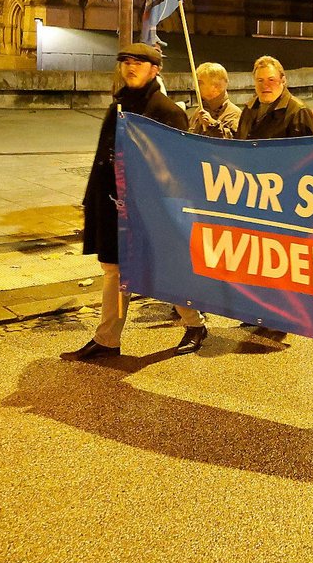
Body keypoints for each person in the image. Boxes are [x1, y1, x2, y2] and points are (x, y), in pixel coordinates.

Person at [64, 44, 207, 360]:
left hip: (152, 212)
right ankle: (107, 339)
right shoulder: (117, 107)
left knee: (165, 272)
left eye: (139, 62)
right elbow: (103, 156)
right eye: (126, 62)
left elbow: (180, 170)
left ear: (155, 69)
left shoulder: (168, 112)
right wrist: (92, 199)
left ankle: (195, 324)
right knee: (114, 272)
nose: (130, 67)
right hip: (115, 208)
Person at [236, 56, 313, 139]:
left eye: (271, 80)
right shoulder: (248, 109)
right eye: (260, 80)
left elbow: (308, 150)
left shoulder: (298, 112)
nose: (265, 85)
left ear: (283, 81)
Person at [187, 62, 242, 138]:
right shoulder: (198, 111)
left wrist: (212, 124)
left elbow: (231, 143)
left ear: (215, 87)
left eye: (200, 83)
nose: (196, 87)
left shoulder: (234, 114)